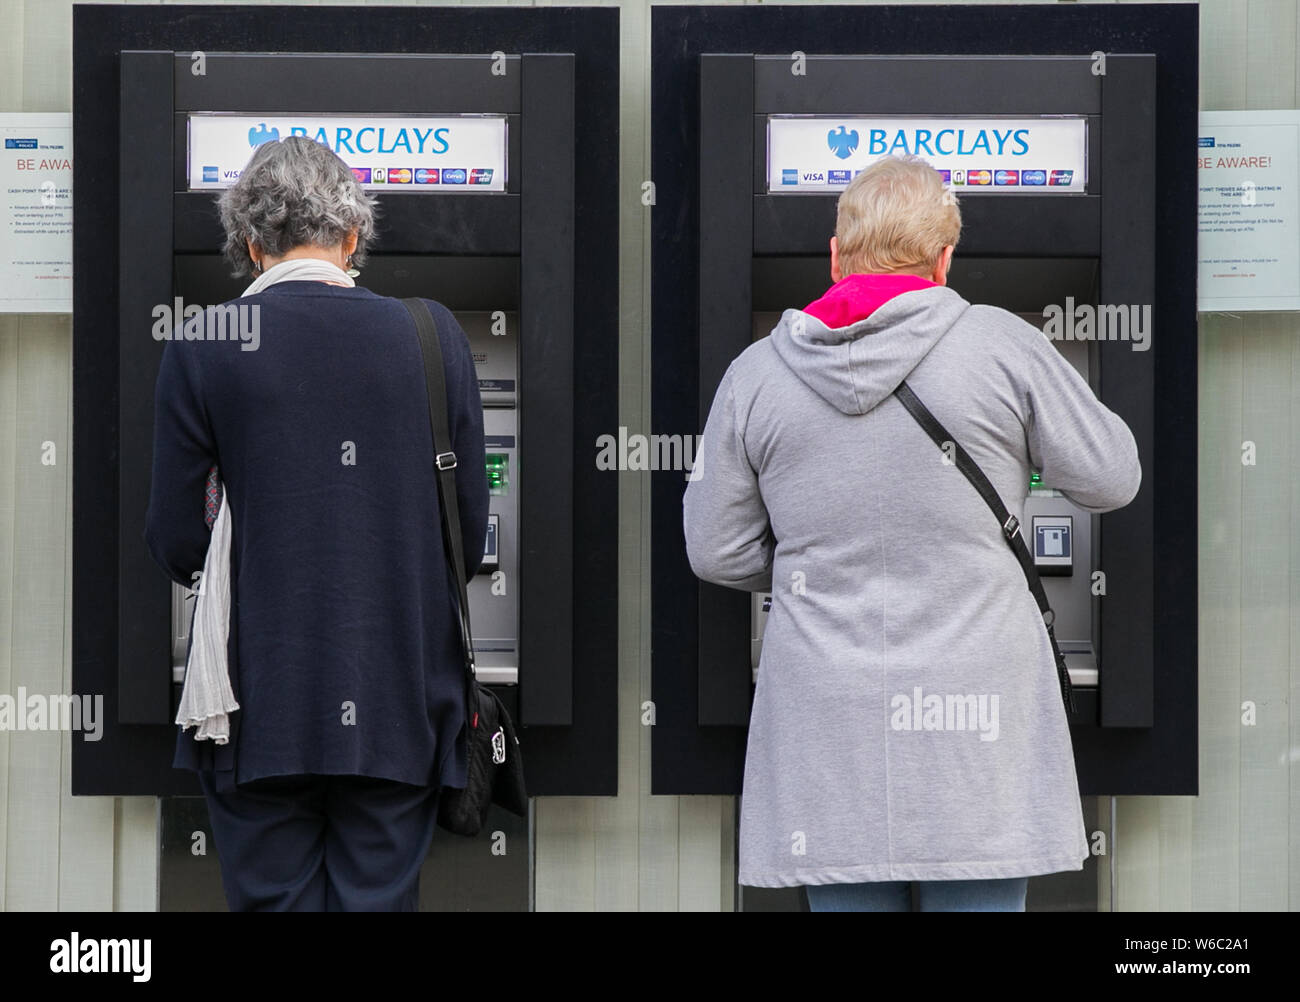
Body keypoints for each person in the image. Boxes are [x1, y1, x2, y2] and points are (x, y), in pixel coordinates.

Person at [682, 154, 1140, 912]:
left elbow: (714, 548)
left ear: (835, 256)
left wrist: (813, 562)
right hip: (977, 724)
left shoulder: (756, 374)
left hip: (829, 723)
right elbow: (1112, 476)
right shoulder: (1002, 345)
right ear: (944, 258)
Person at [144, 135, 488, 911]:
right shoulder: (434, 336)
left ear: (250, 244)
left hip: (256, 702)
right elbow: (465, 531)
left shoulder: (206, 343)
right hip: (401, 697)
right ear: (353, 235)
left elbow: (176, 539)